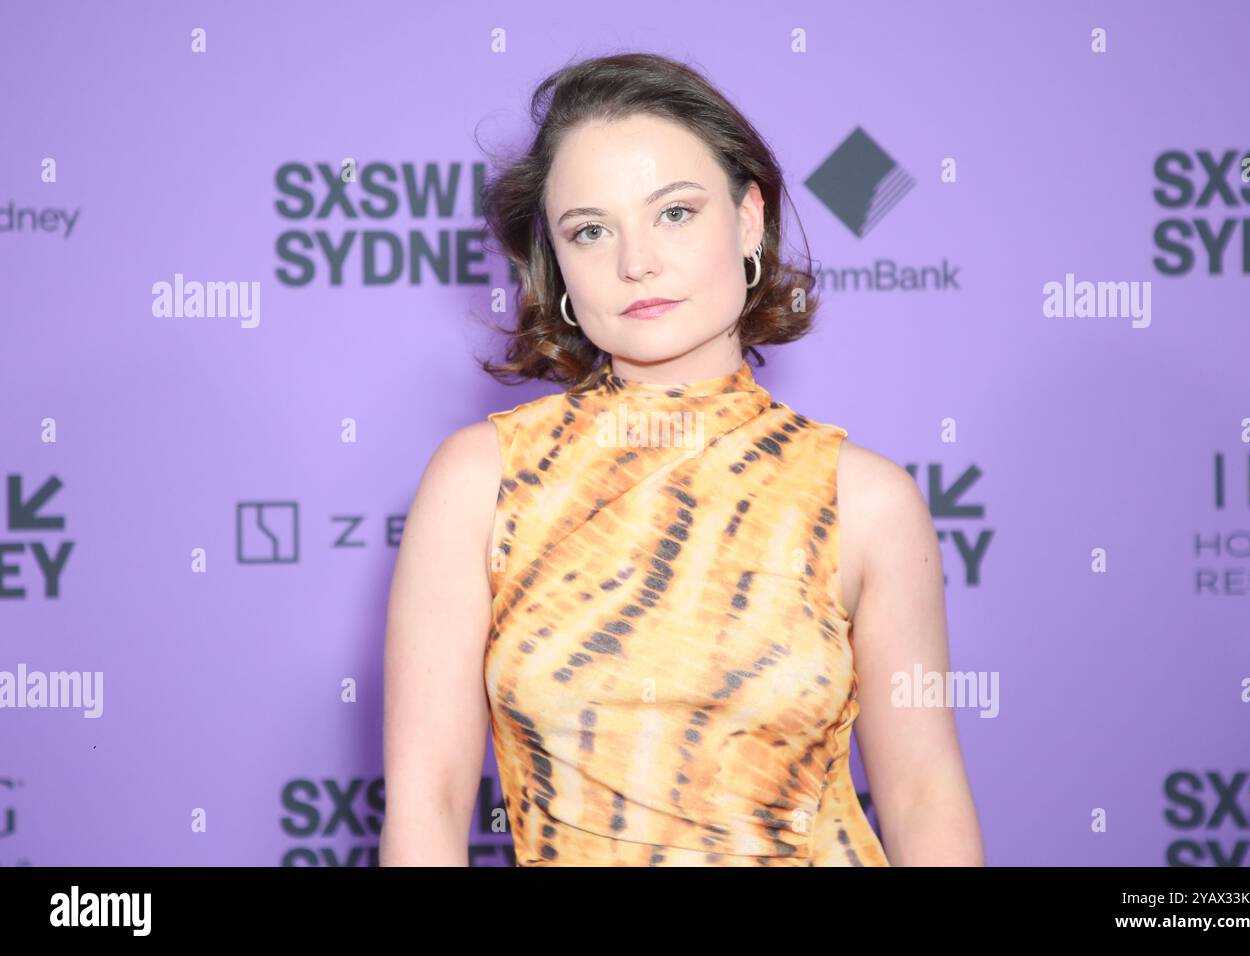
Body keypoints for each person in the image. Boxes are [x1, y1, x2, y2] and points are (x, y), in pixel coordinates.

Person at [380, 52, 983, 866]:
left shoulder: (865, 501)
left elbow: (923, 796)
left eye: (674, 213)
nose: (636, 263)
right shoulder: (480, 480)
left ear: (747, 221)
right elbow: (430, 796)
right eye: (590, 231)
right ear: (557, 266)